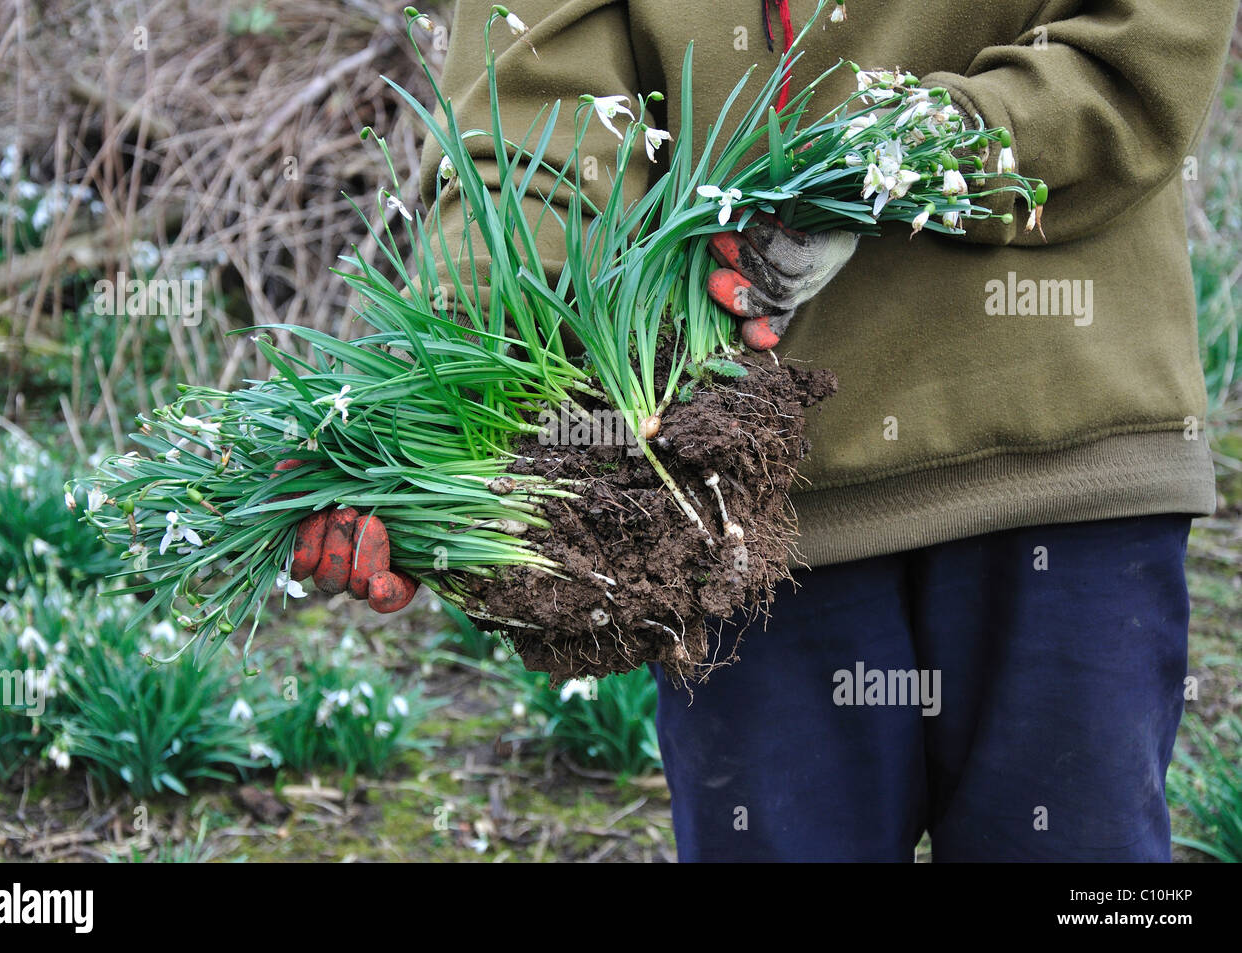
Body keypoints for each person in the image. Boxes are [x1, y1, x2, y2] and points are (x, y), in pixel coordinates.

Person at [414, 0, 1239, 861]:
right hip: (735, 491)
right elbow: (529, 127)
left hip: (1061, 443)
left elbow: (1144, 46)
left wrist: (890, 162)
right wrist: (452, 386)